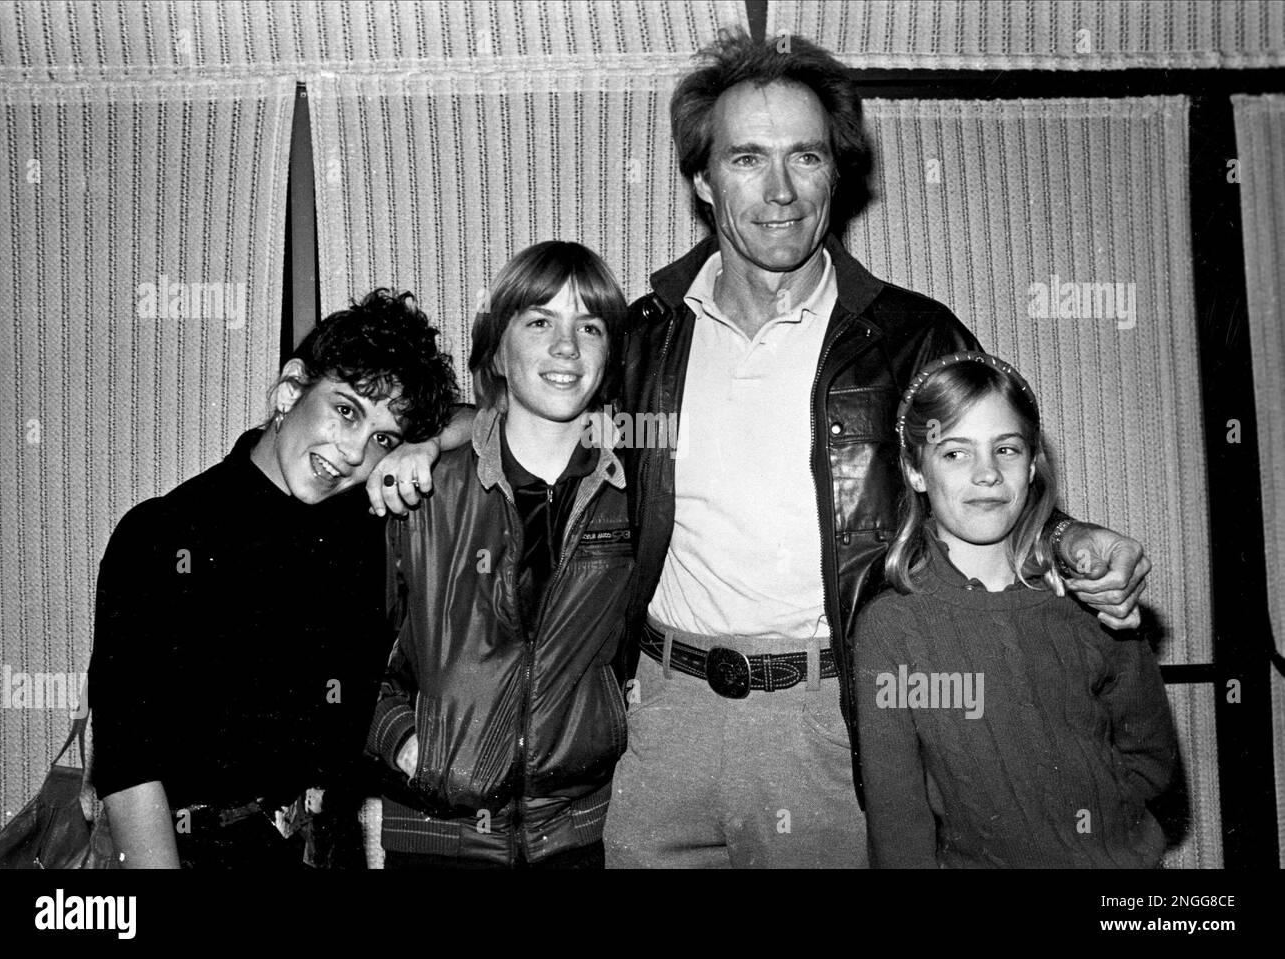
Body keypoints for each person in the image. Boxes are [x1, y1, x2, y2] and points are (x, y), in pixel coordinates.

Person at [366, 29, 1153, 869]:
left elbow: (990, 477)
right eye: (746, 159)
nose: (779, 192)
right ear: (703, 180)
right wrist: (432, 438)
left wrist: (1071, 542)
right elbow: (537, 411)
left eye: (805, 159)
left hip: (828, 726)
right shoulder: (645, 335)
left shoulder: (905, 337)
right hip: (660, 724)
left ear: (836, 175)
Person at [88, 289, 460, 868]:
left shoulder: (360, 526)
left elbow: (500, 414)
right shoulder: (164, 535)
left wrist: (429, 443)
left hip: (327, 850)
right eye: (345, 410)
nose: (353, 452)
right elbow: (127, 766)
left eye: (382, 438)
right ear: (291, 391)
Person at [853, 352, 1177, 867]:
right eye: (955, 453)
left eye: (1005, 449)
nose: (987, 475)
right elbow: (898, 816)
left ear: (1030, 465)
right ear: (915, 469)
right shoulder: (892, 630)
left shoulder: (1090, 601)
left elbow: (1151, 758)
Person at [368, 241, 632, 869]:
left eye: (588, 326)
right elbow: (347, 657)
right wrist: (404, 739)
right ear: (497, 349)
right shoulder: (418, 491)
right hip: (437, 835)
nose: (566, 347)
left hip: (577, 837)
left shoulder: (638, 492)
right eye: (540, 321)